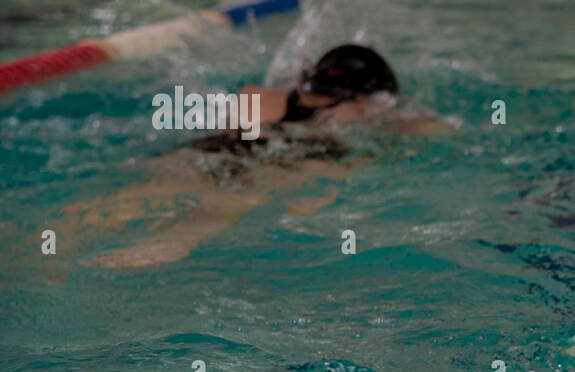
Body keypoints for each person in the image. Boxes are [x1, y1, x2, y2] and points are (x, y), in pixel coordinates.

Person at [60, 44, 453, 270]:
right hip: (298, 157)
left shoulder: (259, 95)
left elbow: (238, 129)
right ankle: (176, 241)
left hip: (215, 149)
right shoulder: (374, 113)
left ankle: (60, 242)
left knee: (123, 199)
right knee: (247, 194)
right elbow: (440, 130)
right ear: (372, 95)